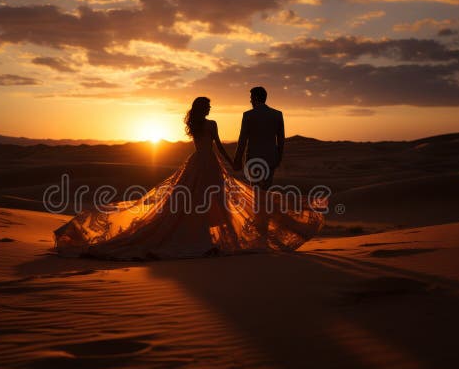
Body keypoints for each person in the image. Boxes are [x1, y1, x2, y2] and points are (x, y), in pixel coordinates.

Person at [53, 96, 323, 260]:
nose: (210, 107)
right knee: (210, 203)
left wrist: (232, 162)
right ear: (203, 108)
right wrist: (232, 162)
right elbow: (218, 146)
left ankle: (211, 240)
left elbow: (212, 146)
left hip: (201, 164)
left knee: (204, 203)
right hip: (207, 165)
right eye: (208, 105)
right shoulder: (208, 124)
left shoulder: (197, 124)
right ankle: (211, 241)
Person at [233, 86, 284, 190]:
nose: (250, 101)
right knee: (266, 190)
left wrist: (238, 158)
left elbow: (242, 140)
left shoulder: (248, 115)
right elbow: (281, 139)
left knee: (255, 191)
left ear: (255, 98)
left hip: (253, 159)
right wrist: (279, 157)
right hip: (271, 159)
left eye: (251, 98)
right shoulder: (277, 115)